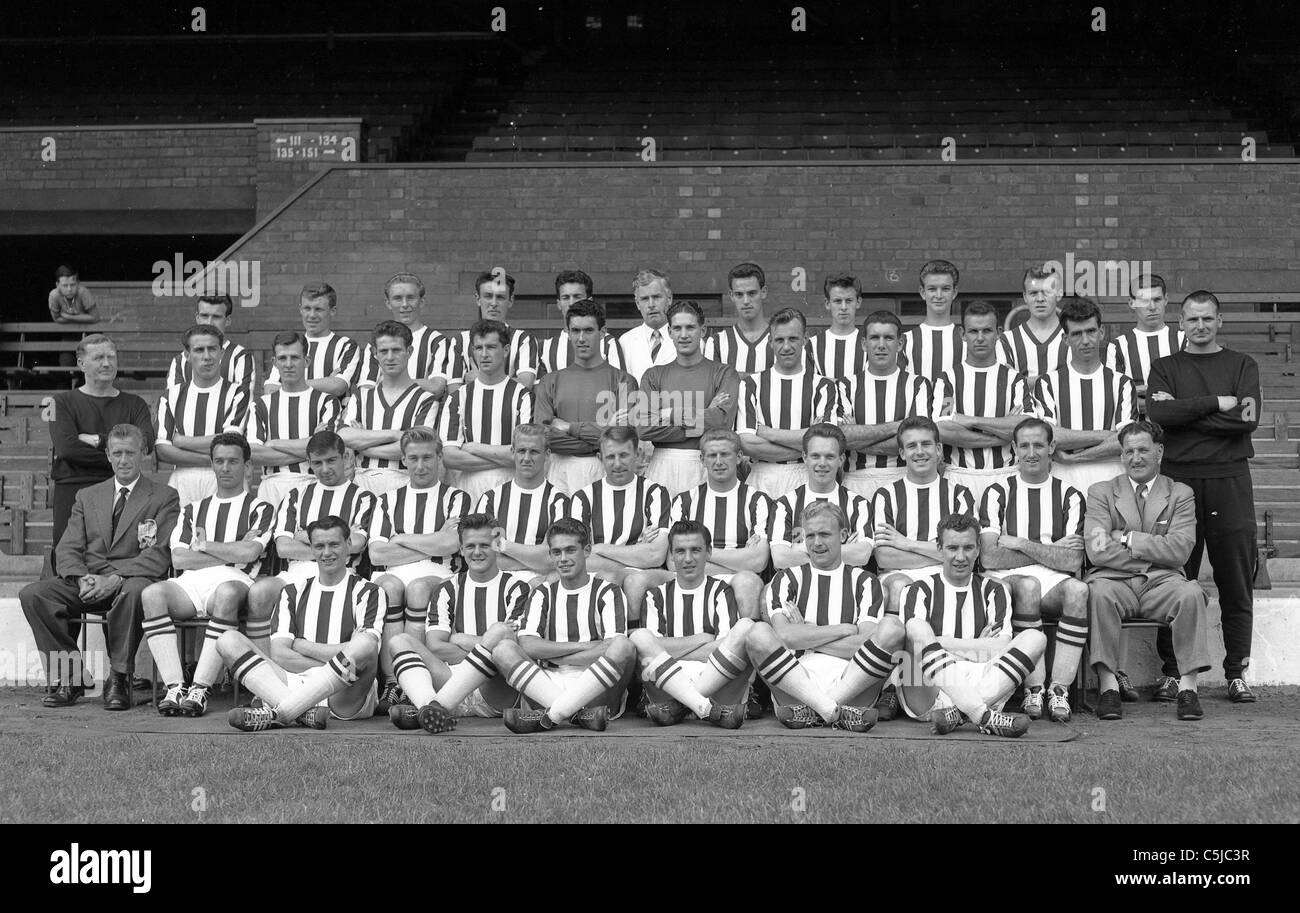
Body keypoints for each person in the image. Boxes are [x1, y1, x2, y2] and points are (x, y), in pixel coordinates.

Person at [1146, 291, 1261, 703]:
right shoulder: (1165, 367)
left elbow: (1246, 419)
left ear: (1220, 321)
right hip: (1179, 482)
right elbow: (1160, 417)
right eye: (1192, 319)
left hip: (1230, 479)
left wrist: (1186, 413)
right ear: (1181, 323)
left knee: (1235, 581)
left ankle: (1236, 671)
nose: (1200, 326)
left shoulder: (1242, 365)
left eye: (1207, 319)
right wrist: (1215, 404)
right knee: (1174, 580)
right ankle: (1173, 672)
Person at [19, 424, 180, 709]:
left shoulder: (164, 496)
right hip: (88, 582)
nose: (123, 460)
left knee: (135, 592)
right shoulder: (87, 495)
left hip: (132, 579)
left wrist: (116, 578)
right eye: (117, 453)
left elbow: (160, 553)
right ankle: (71, 676)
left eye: (130, 452)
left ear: (143, 453)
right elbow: (68, 546)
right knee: (34, 594)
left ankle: (119, 678)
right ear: (107, 455)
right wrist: (82, 578)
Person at [1084, 420, 1213, 721]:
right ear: (1121, 456)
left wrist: (1128, 538)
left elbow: (1181, 549)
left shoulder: (1180, 493)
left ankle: (1188, 689)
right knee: (1098, 593)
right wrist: (1155, 554)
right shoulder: (1102, 492)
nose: (1136, 458)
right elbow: (1097, 548)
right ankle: (1108, 688)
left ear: (1159, 452)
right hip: (1114, 581)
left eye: (1143, 450)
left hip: (1163, 584)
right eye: (1129, 451)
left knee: (1191, 593)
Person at [141, 433, 275, 718]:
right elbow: (178, 557)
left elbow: (249, 554)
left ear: (248, 467)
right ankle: (175, 687)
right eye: (219, 461)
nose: (225, 468)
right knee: (151, 594)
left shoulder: (261, 508)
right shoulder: (193, 509)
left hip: (236, 581)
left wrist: (203, 546)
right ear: (212, 465)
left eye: (233, 462)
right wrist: (231, 549)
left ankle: (200, 689)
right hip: (192, 582)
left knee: (227, 593)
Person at [742, 502, 898, 731]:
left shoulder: (865, 581)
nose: (817, 543)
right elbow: (785, 637)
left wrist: (806, 631)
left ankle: (819, 710)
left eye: (825, 534)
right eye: (811, 535)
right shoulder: (786, 579)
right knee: (756, 633)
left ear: (843, 535)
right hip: (797, 683)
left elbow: (864, 645)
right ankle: (833, 711)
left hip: (851, 680)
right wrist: (845, 628)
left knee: (893, 628)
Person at [220, 516, 385, 731]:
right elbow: (279, 655)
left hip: (345, 691)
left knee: (365, 644)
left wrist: (301, 645)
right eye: (319, 546)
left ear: (349, 545)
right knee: (227, 641)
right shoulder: (292, 592)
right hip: (299, 682)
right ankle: (302, 712)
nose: (326, 553)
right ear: (312, 549)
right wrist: (339, 655)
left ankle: (284, 712)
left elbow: (365, 653)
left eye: (334, 544)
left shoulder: (370, 592)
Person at [977, 418, 1089, 723]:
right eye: (1024, 445)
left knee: (1079, 589)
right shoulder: (996, 493)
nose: (1031, 452)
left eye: (1038, 444)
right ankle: (1034, 688)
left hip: (1053, 580)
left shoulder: (1070, 495)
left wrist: (1021, 543)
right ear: (1014, 449)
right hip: (1007, 581)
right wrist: (1050, 550)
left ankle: (1059, 690)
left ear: (1051, 447)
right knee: (1028, 586)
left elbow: (1072, 563)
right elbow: (989, 558)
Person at [898, 513, 1045, 737]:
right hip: (930, 692)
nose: (960, 556)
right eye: (952, 548)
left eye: (968, 548)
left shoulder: (995, 590)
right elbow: (916, 646)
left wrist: (938, 642)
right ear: (939, 548)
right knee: (917, 627)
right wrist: (977, 645)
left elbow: (999, 647)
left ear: (978, 549)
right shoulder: (917, 590)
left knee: (1035, 638)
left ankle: (960, 714)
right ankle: (980, 715)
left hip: (982, 684)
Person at [383, 513, 531, 732]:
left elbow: (512, 646)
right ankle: (429, 707)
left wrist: (459, 639)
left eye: (484, 545)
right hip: (450, 678)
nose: (477, 552)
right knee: (399, 642)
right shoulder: (447, 588)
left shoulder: (517, 588)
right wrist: (483, 646)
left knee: (500, 633)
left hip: (494, 689)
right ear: (461, 550)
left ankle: (435, 706)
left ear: (497, 546)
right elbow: (435, 646)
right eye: (470, 546)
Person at [490, 518, 637, 733]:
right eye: (557, 552)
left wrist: (553, 655)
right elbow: (529, 645)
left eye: (570, 551)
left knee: (624, 646)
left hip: (596, 686)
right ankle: (577, 715)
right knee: (503, 649)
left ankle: (552, 714)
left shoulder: (607, 591)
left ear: (586, 551)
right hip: (548, 683)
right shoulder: (543, 592)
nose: (563, 559)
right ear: (550, 555)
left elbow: (612, 648)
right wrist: (585, 646)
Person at [246, 431, 377, 657]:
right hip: (297, 572)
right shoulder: (296, 496)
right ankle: (267, 670)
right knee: (259, 592)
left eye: (331, 460)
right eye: (317, 463)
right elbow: (283, 547)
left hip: (343, 574)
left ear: (345, 458)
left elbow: (356, 544)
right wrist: (335, 544)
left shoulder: (363, 497)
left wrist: (303, 535)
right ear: (309, 463)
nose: (324, 469)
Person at [367, 428, 471, 712]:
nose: (421, 465)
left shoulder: (457, 497)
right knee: (388, 588)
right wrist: (433, 540)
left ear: (440, 458)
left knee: (419, 588)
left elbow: (451, 543)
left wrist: (401, 538)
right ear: (403, 459)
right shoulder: (387, 500)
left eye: (428, 457)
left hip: (440, 572)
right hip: (394, 571)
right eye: (413, 458)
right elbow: (376, 553)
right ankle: (391, 683)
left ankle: (414, 679)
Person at [628, 520, 751, 728]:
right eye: (680, 551)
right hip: (668, 683)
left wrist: (670, 649)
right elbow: (650, 650)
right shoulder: (655, 596)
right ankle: (704, 707)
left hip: (712, 681)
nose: (687, 559)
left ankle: (682, 706)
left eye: (695, 550)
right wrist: (701, 639)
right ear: (671, 556)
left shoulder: (721, 591)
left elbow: (725, 650)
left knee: (747, 626)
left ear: (709, 552)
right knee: (638, 637)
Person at [49, 334, 155, 556]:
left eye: (111, 357)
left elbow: (146, 442)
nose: (107, 363)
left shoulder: (135, 404)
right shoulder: (60, 402)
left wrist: (96, 439)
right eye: (98, 358)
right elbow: (67, 449)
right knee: (70, 554)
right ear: (81, 364)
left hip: (123, 487)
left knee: (122, 554)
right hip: (74, 485)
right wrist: (123, 451)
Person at [871, 416, 976, 626]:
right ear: (902, 453)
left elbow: (966, 554)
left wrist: (908, 544)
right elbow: (884, 557)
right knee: (901, 586)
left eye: (926, 444)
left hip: (949, 574)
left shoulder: (959, 495)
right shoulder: (886, 495)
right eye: (911, 446)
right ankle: (902, 655)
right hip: (898, 574)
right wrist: (944, 554)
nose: (919, 451)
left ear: (938, 449)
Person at [1034, 297, 1137, 497]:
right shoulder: (1047, 382)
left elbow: (1126, 442)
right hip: (1063, 478)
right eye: (1077, 334)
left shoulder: (1122, 382)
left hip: (1112, 476)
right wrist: (1108, 434)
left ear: (1101, 332)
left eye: (1090, 331)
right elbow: (1050, 436)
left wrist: (1075, 458)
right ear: (1066, 339)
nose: (1085, 340)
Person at [534, 298, 639, 492]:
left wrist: (568, 427)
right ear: (567, 332)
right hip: (559, 469)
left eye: (589, 330)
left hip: (605, 468)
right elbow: (543, 437)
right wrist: (602, 434)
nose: (581, 338)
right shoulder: (549, 381)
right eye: (575, 330)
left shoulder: (624, 381)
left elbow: (622, 439)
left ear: (602, 333)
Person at [934, 300, 1032, 505]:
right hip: (958, 476)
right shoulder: (948, 379)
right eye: (973, 331)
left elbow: (1024, 429)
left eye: (986, 331)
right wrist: (1002, 432)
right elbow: (943, 429)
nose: (980, 338)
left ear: (998, 333)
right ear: (963, 334)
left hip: (1007, 475)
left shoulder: (1014, 379)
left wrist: (968, 420)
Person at [638, 300, 740, 496]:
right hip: (662, 465)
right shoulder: (653, 375)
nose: (683, 335)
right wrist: (704, 415)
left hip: (705, 463)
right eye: (677, 328)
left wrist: (668, 414)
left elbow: (722, 423)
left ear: (703, 330)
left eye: (690, 327)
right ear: (669, 332)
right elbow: (644, 427)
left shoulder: (724, 373)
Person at [736, 307, 839, 497]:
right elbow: (747, 443)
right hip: (762, 477)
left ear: (805, 340)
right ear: (770, 342)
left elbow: (826, 443)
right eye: (779, 340)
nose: (786, 347)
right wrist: (808, 441)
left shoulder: (823, 386)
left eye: (793, 339)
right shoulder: (750, 385)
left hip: (807, 476)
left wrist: (768, 433)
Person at [338, 321, 439, 495]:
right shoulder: (361, 397)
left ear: (409, 352)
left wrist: (362, 446)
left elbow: (416, 448)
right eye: (384, 351)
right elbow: (343, 437)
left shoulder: (425, 399)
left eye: (396, 350)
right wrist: (394, 434)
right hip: (361, 482)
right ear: (375, 354)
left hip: (405, 482)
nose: (390, 357)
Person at [838, 310, 933, 495]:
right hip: (856, 479)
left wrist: (858, 435)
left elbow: (916, 439)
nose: (881, 345)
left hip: (904, 477)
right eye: (874, 338)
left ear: (900, 343)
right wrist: (901, 425)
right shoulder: (847, 385)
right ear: (864, 344)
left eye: (888, 338)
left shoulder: (918, 384)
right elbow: (842, 438)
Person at [155, 325, 251, 505]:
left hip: (224, 478)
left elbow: (230, 442)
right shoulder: (170, 396)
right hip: (182, 480)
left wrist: (182, 442)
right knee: (180, 533)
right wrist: (215, 459)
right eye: (199, 350)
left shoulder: (238, 393)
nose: (207, 356)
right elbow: (162, 450)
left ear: (221, 353)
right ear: (187, 356)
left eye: (212, 349)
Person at [440, 319, 533, 501]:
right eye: (478, 348)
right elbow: (450, 458)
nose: (484, 354)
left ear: (505, 350)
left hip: (511, 486)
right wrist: (505, 456)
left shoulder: (523, 396)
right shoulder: (457, 397)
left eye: (491, 347)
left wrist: (474, 448)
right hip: (467, 488)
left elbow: (525, 454)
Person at [247, 331, 342, 509]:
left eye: (295, 358)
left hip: (314, 484)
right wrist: (310, 442)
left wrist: (273, 443)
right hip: (272, 487)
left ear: (307, 361)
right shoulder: (260, 405)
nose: (289, 364)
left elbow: (325, 450)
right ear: (274, 363)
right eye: (282, 358)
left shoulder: (327, 401)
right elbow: (254, 454)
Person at [567, 426, 670, 590]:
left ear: (637, 454)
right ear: (600, 458)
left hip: (638, 579)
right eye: (610, 457)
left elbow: (655, 555)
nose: (617, 464)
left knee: (623, 581)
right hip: (594, 577)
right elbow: (577, 558)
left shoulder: (655, 493)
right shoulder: (582, 498)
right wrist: (638, 550)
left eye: (623, 455)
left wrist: (599, 548)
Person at [770, 424, 874, 569]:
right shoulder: (785, 504)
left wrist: (800, 549)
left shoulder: (859, 504)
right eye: (815, 456)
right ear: (805, 458)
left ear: (841, 459)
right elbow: (780, 558)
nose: (822, 463)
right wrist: (838, 549)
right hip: (798, 588)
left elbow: (862, 555)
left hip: (846, 588)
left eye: (830, 456)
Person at [477, 423, 571, 583]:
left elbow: (550, 559)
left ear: (547, 454)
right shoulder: (490, 499)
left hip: (540, 583)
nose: (526, 458)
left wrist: (503, 545)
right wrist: (534, 561)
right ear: (513, 452)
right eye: (521, 451)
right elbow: (480, 556)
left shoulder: (560, 502)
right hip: (495, 582)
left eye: (534, 451)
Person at [356, 272, 459, 399]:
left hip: (423, 415)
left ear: (421, 302)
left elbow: (436, 387)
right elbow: (366, 389)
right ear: (388, 303)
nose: (405, 304)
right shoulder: (376, 342)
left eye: (410, 297)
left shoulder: (437, 341)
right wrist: (419, 382)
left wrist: (388, 381)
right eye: (398, 298)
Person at [263, 282, 363, 399]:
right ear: (300, 309)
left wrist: (289, 384)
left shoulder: (345, 345)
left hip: (332, 416)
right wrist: (326, 382)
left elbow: (338, 386)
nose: (311, 315)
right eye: (307, 308)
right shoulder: (288, 344)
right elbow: (270, 390)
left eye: (318, 309)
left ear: (333, 311)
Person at [1106, 273, 1184, 416]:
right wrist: (1161, 404)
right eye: (1143, 301)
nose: (1152, 307)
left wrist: (1139, 391)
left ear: (1166, 300)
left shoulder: (1183, 340)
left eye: (1157, 299)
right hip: (1135, 430)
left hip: (1178, 430)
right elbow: (1113, 394)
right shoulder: (1117, 346)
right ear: (1132, 303)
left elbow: (1192, 390)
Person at [449, 270, 539, 392]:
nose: (494, 303)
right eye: (488, 296)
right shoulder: (460, 341)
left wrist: (479, 379)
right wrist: (508, 380)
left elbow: (525, 384)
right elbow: (454, 391)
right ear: (478, 299)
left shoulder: (524, 339)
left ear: (510, 301)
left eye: (500, 297)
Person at [538, 270, 626, 375]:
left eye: (577, 296)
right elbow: (542, 389)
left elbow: (620, 385)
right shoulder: (546, 348)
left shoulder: (608, 343)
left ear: (590, 300)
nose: (571, 303)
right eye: (565, 298)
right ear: (558, 304)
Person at [165, 295, 256, 392]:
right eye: (204, 316)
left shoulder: (240, 357)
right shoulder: (180, 360)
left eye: (216, 317)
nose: (209, 322)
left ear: (228, 320)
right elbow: (173, 401)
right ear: (197, 318)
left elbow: (243, 401)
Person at [998, 265, 1069, 389]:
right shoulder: (1007, 340)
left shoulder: (1075, 337)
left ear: (1059, 294)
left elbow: (1081, 381)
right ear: (1025, 296)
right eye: (1033, 293)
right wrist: (1060, 380)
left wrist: (1023, 381)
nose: (1040, 299)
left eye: (1047, 292)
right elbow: (1005, 386)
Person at [900, 259, 963, 383]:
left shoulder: (967, 340)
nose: (938, 295)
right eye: (932, 289)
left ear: (954, 292)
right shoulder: (905, 341)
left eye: (945, 289)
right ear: (922, 292)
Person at [705, 262, 773, 377]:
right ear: (731, 295)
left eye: (752, 293)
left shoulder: (782, 340)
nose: (746, 301)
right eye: (739, 294)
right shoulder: (716, 342)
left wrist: (732, 377)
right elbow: (713, 386)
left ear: (763, 292)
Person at [806, 273, 868, 379]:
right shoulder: (813, 345)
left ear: (858, 302)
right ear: (827, 303)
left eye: (849, 301)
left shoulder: (870, 343)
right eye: (837, 301)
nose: (843, 307)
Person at [620, 268, 677, 382]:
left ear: (669, 299)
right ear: (637, 303)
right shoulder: (625, 341)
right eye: (645, 299)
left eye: (656, 297)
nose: (651, 304)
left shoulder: (686, 338)